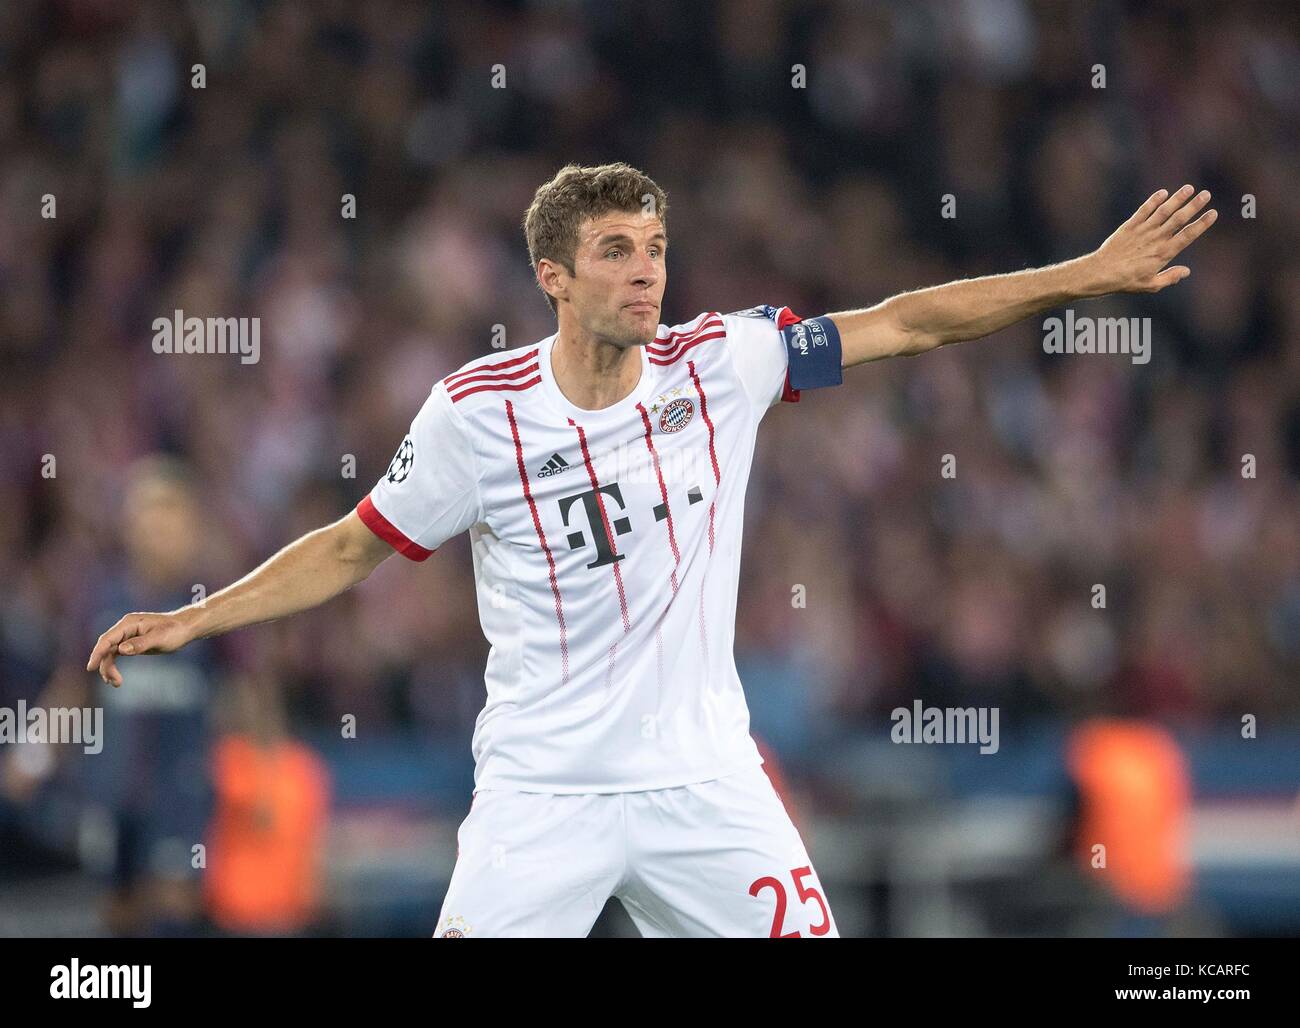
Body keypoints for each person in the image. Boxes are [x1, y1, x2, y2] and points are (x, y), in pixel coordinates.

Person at [87, 163, 1216, 937]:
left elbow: (908, 320)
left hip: (706, 783)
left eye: (657, 248)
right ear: (553, 277)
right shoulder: (473, 414)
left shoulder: (724, 364)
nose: (646, 272)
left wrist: (1079, 277)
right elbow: (348, 549)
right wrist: (194, 616)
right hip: (543, 794)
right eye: (616, 251)